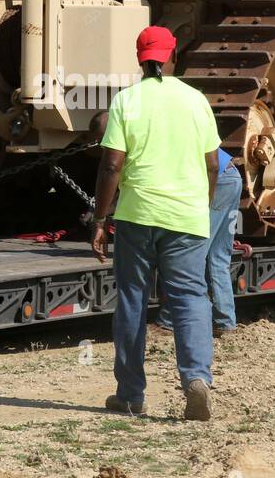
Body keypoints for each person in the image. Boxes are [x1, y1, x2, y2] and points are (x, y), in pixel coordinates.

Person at [91, 26, 222, 420]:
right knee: (189, 297)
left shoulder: (126, 101)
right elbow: (213, 164)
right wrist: (203, 205)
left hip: (137, 216)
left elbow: (112, 163)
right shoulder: (197, 101)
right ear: (173, 56)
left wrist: (100, 218)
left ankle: (131, 395)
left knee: (132, 300)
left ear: (140, 59)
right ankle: (196, 379)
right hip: (186, 218)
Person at [156, 148, 242, 336]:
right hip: (231, 176)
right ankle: (226, 322)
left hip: (216, 181)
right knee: (218, 257)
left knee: (188, 255)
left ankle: (169, 322)